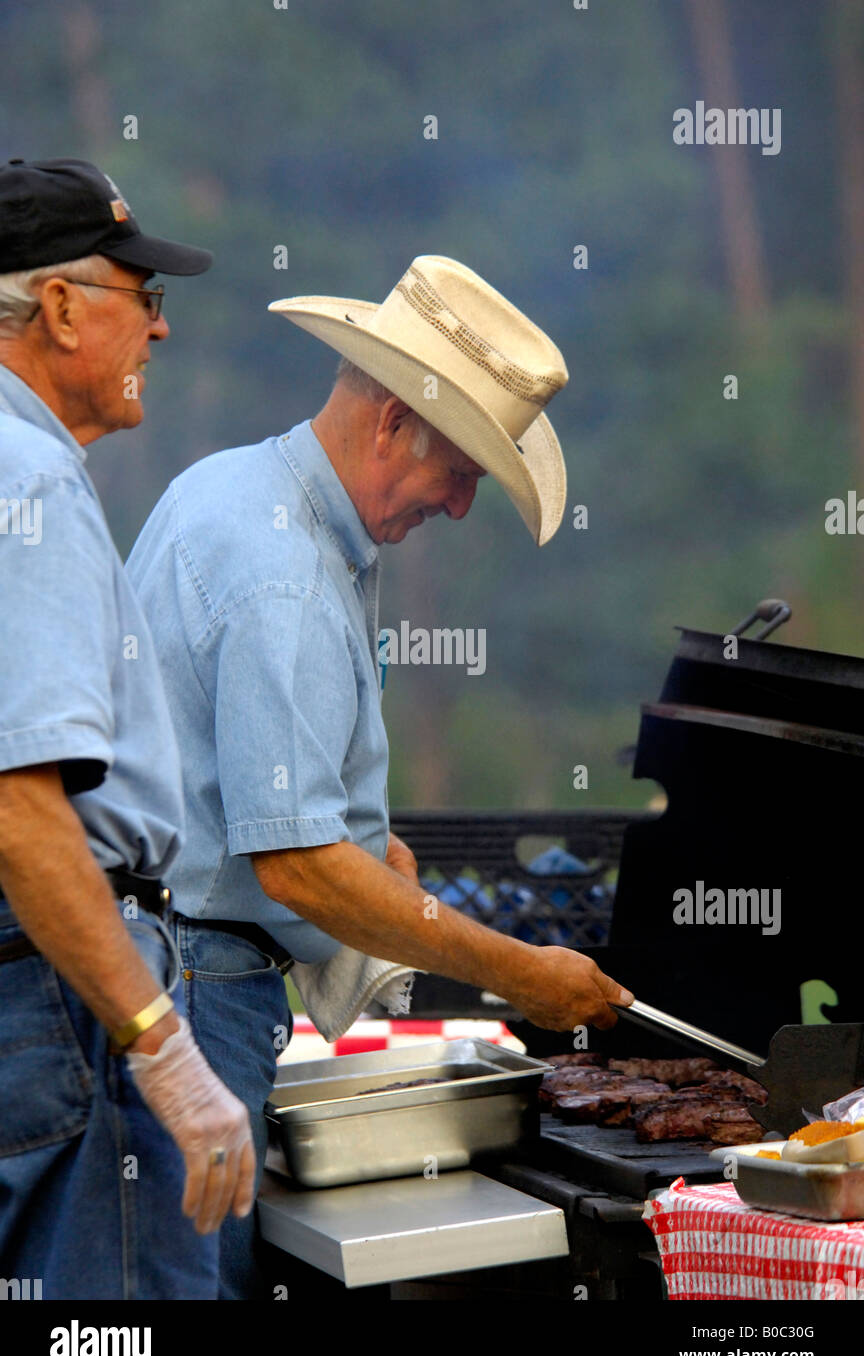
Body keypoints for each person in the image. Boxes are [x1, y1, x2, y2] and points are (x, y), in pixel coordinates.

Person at [127, 254, 634, 1299]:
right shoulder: (286, 572)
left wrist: (371, 853)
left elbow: (265, 801)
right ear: (395, 421)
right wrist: (524, 973)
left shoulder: (234, 486)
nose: (458, 508)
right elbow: (299, 868)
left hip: (167, 967)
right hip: (188, 978)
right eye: (462, 472)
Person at [0, 158, 254, 1300]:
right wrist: (160, 1039)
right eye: (141, 297)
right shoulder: (30, 483)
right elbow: (18, 808)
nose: (160, 330)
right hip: (64, 998)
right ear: (57, 306)